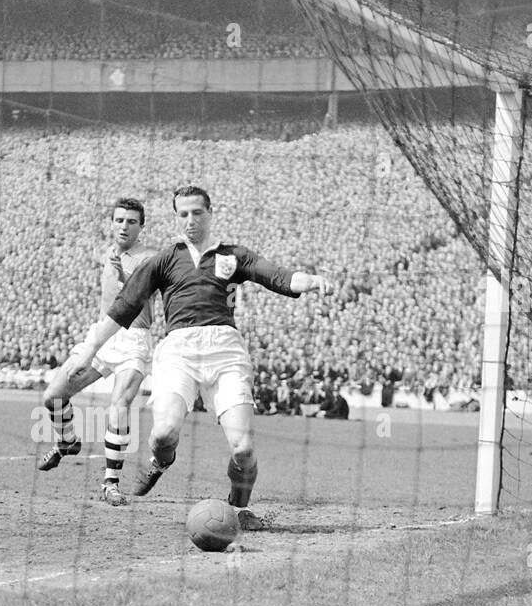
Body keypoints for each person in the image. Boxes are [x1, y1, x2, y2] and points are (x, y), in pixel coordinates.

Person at [66, 185, 337, 530]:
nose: (190, 220)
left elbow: (278, 276)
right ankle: (160, 462)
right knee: (163, 434)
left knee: (243, 449)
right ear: (176, 217)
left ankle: (238, 509)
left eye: (197, 213)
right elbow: (123, 308)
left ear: (210, 213)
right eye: (183, 214)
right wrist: (89, 350)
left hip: (225, 350)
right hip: (178, 350)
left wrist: (309, 279)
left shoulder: (234, 254)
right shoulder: (163, 259)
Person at [36, 197, 159, 506]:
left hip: (135, 338)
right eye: (119, 220)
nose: (124, 226)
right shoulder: (108, 253)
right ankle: (67, 441)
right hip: (102, 337)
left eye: (132, 221)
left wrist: (123, 278)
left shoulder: (151, 258)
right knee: (53, 396)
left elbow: (141, 294)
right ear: (112, 223)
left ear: (141, 226)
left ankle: (110, 483)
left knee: (119, 405)